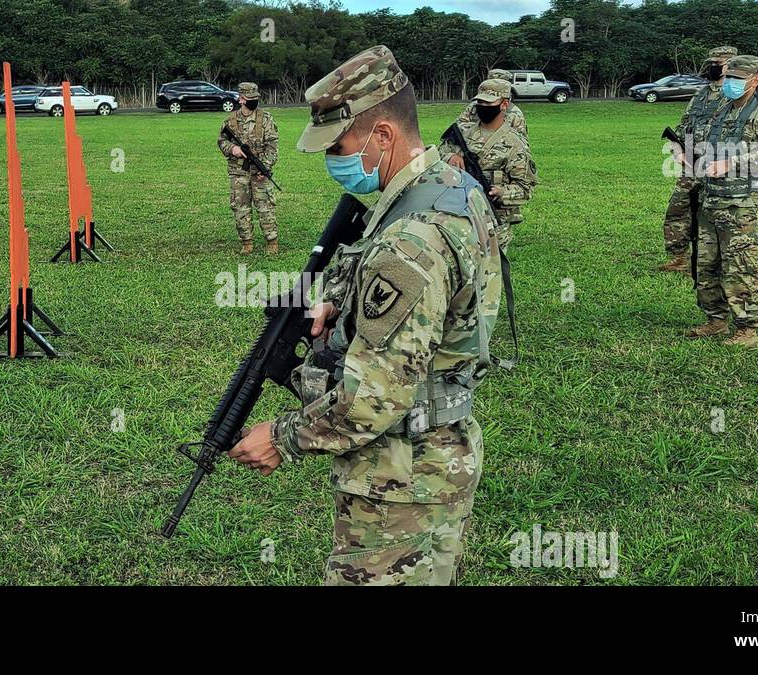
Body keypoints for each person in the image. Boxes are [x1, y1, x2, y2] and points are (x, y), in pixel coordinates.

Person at [227, 45, 504, 585]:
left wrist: (282, 437)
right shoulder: (448, 186)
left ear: (382, 136)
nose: (334, 161)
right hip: (438, 454)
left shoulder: (412, 239)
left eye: (340, 145)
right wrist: (340, 299)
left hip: (402, 477)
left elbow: (374, 399)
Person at [686, 55, 758, 348]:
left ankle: (748, 329)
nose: (729, 83)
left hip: (744, 206)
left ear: (755, 80)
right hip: (711, 201)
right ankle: (715, 320)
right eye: (728, 77)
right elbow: (706, 144)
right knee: (707, 266)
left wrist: (732, 164)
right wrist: (686, 153)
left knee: (742, 267)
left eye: (736, 79)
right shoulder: (721, 109)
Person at [659, 46, 737, 273]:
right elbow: (684, 124)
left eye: (717, 63)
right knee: (678, 210)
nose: (712, 67)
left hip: (720, 166)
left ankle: (722, 263)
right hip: (692, 165)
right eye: (711, 62)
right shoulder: (701, 93)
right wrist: (677, 149)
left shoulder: (737, 96)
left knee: (720, 215)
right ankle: (678, 258)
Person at [439, 78, 537, 251]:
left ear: (504, 104)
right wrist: (450, 157)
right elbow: (438, 155)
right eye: (480, 101)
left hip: (493, 224)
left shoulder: (515, 145)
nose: (482, 106)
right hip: (456, 215)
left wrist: (501, 192)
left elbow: (525, 188)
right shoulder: (463, 131)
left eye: (488, 102)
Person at [217, 82, 280, 255]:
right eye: (249, 98)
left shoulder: (266, 119)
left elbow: (272, 147)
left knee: (265, 206)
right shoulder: (230, 121)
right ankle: (247, 242)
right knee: (240, 207)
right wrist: (233, 149)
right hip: (238, 172)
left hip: (260, 172)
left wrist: (264, 168)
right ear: (241, 99)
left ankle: (272, 241)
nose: (253, 101)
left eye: (255, 98)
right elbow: (222, 141)